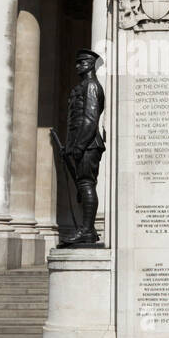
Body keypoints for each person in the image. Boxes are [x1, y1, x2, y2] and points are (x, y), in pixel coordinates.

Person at [60, 50, 105, 245]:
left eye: (82, 62)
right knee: (83, 185)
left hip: (88, 144)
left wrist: (78, 146)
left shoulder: (92, 86)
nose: (78, 66)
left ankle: (87, 230)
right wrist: (69, 146)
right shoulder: (82, 87)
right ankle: (88, 230)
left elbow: (90, 119)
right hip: (80, 144)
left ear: (90, 64)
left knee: (86, 184)